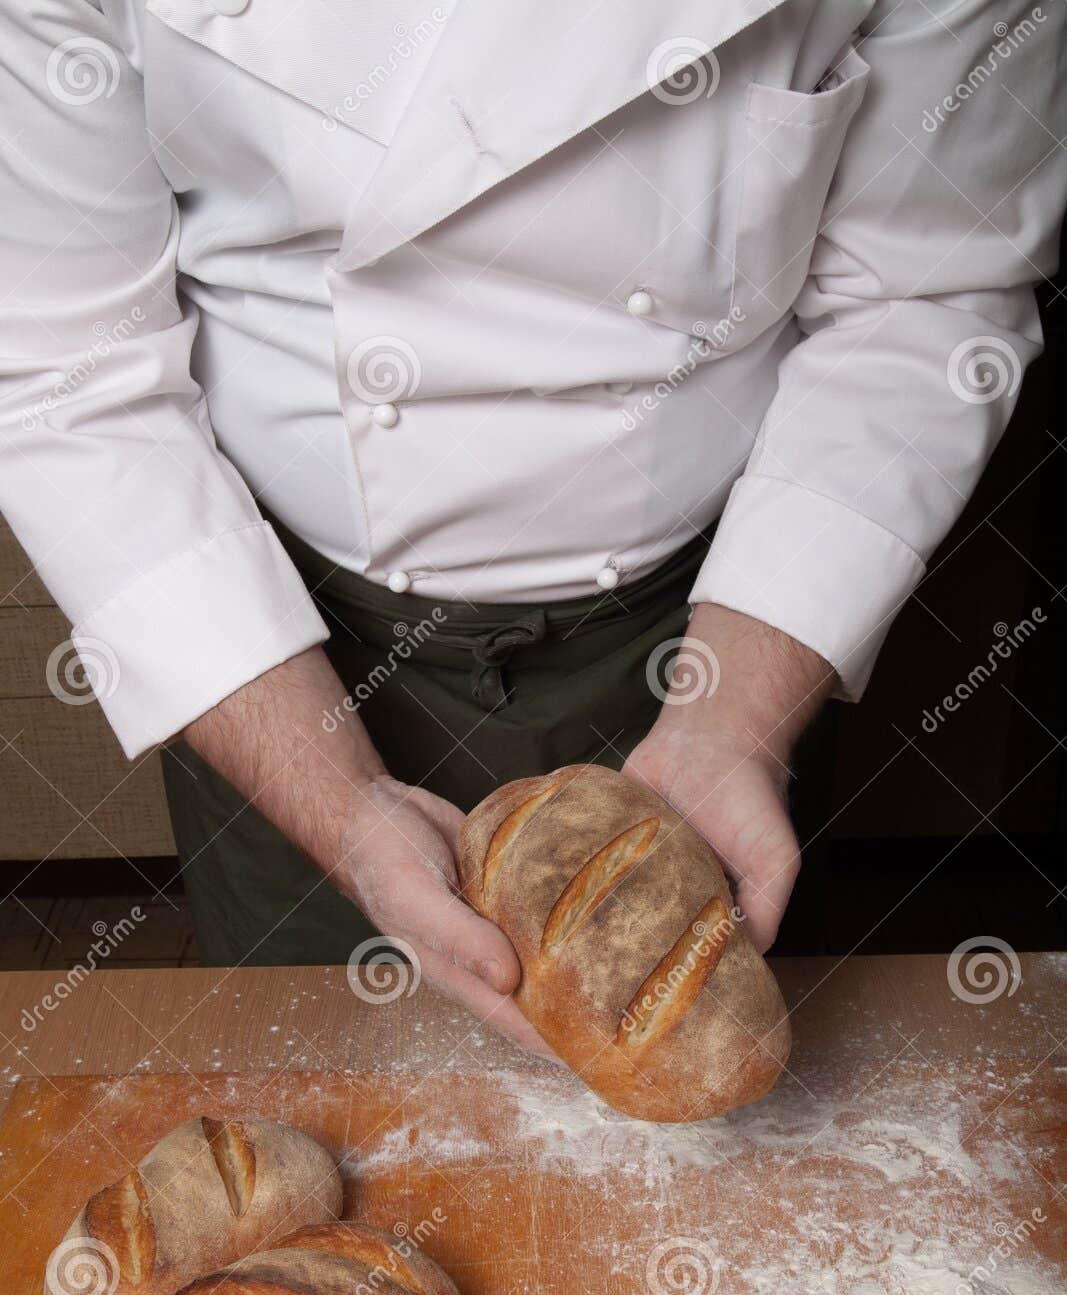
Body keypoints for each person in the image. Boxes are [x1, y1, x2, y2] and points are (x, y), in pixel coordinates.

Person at [2, 1, 1063, 1055]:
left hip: (717, 627)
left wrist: (733, 721)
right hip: (270, 648)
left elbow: (923, 293)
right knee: (320, 1072)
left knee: (693, 1108)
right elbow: (67, 372)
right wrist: (334, 803)